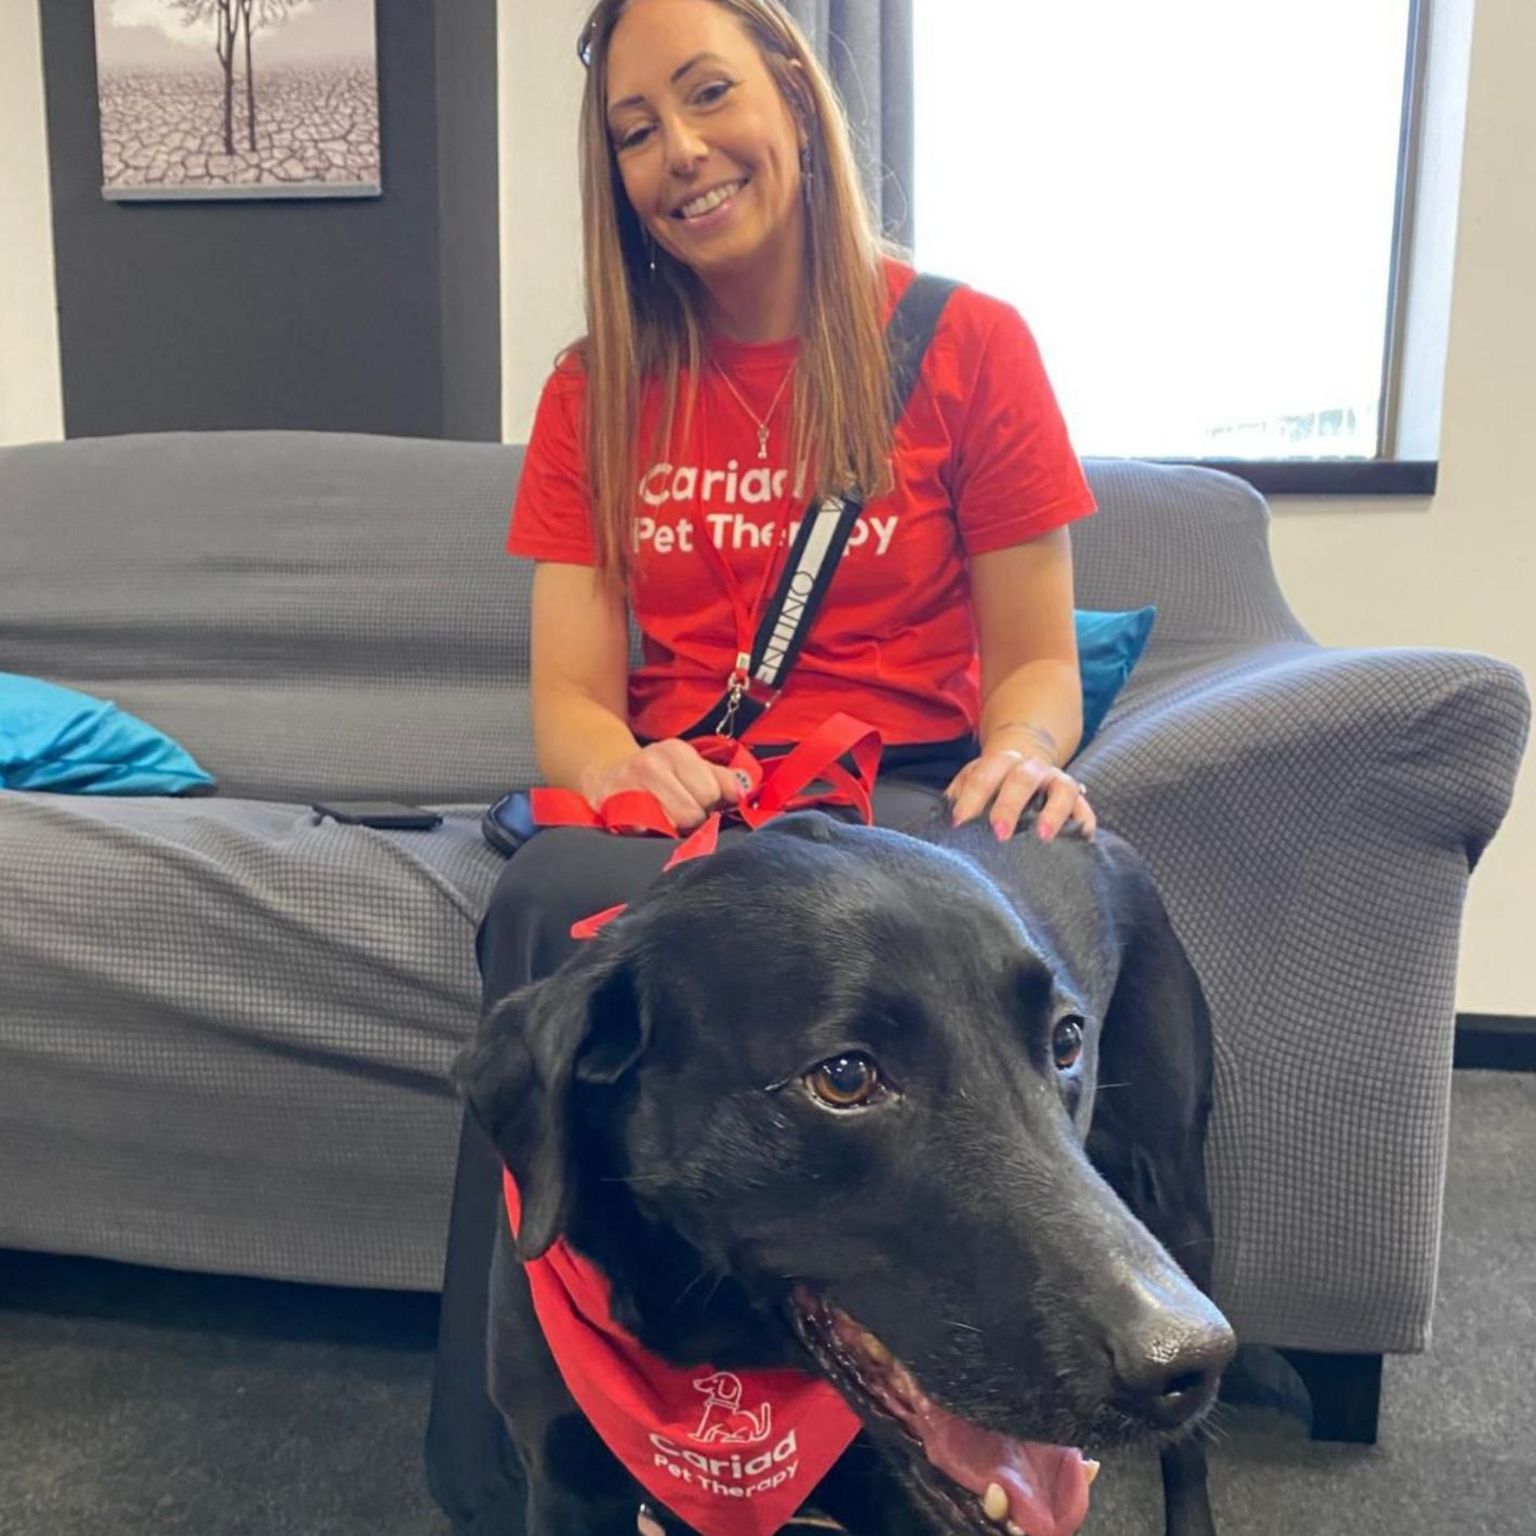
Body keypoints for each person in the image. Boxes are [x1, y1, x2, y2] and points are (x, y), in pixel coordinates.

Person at [426, 0, 1098, 1530]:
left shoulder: (968, 346)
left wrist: (1026, 749)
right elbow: (574, 707)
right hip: (702, 806)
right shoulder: (594, 391)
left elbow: (1037, 665)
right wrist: (632, 768)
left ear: (794, 93)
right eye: (634, 130)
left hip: (899, 795)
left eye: (707, 93)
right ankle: (527, 1458)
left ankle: (918, 1420)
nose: (678, 152)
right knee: (543, 901)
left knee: (1011, 912)